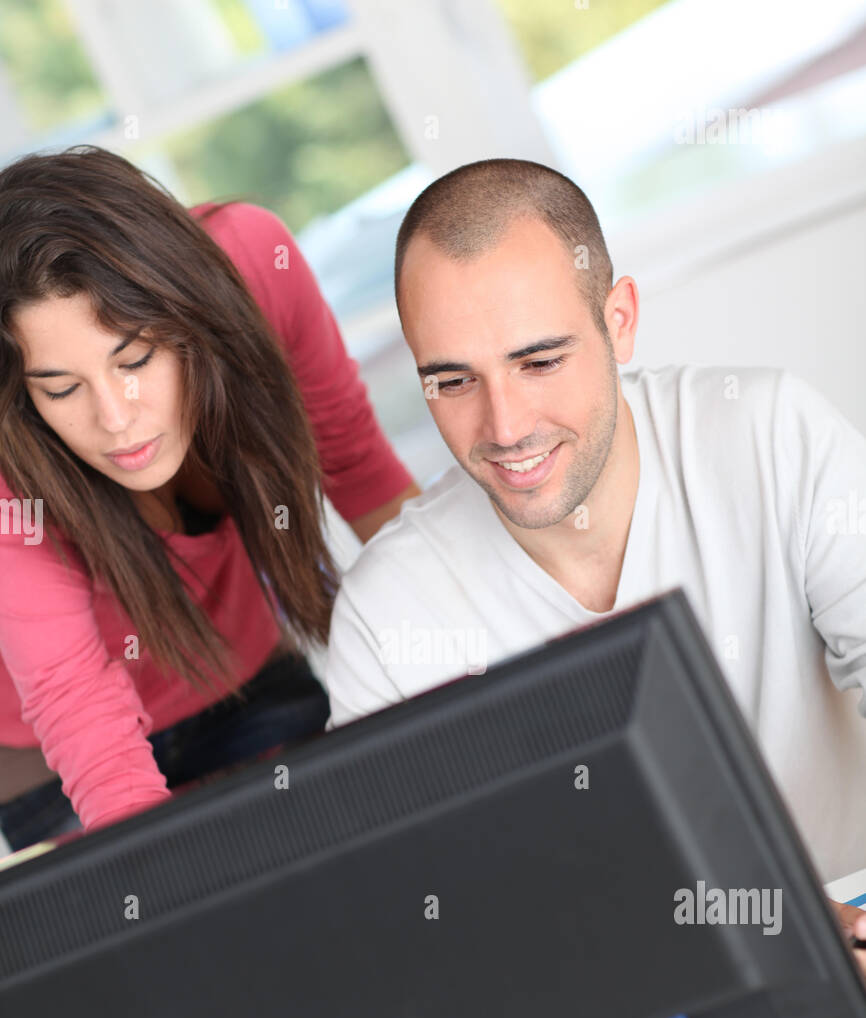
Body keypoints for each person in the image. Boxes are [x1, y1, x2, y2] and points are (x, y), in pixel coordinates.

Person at [325, 156, 866, 954]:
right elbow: (419, 913)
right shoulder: (387, 615)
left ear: (619, 320)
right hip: (627, 1001)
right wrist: (773, 924)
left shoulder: (768, 434)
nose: (505, 427)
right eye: (452, 381)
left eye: (538, 361)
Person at [0, 145, 419, 853]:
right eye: (61, 388)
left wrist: (470, 656)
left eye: (134, 358)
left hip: (237, 673)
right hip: (44, 752)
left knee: (351, 881)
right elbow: (77, 704)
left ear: (191, 315)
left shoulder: (254, 267)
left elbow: (360, 470)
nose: (116, 416)